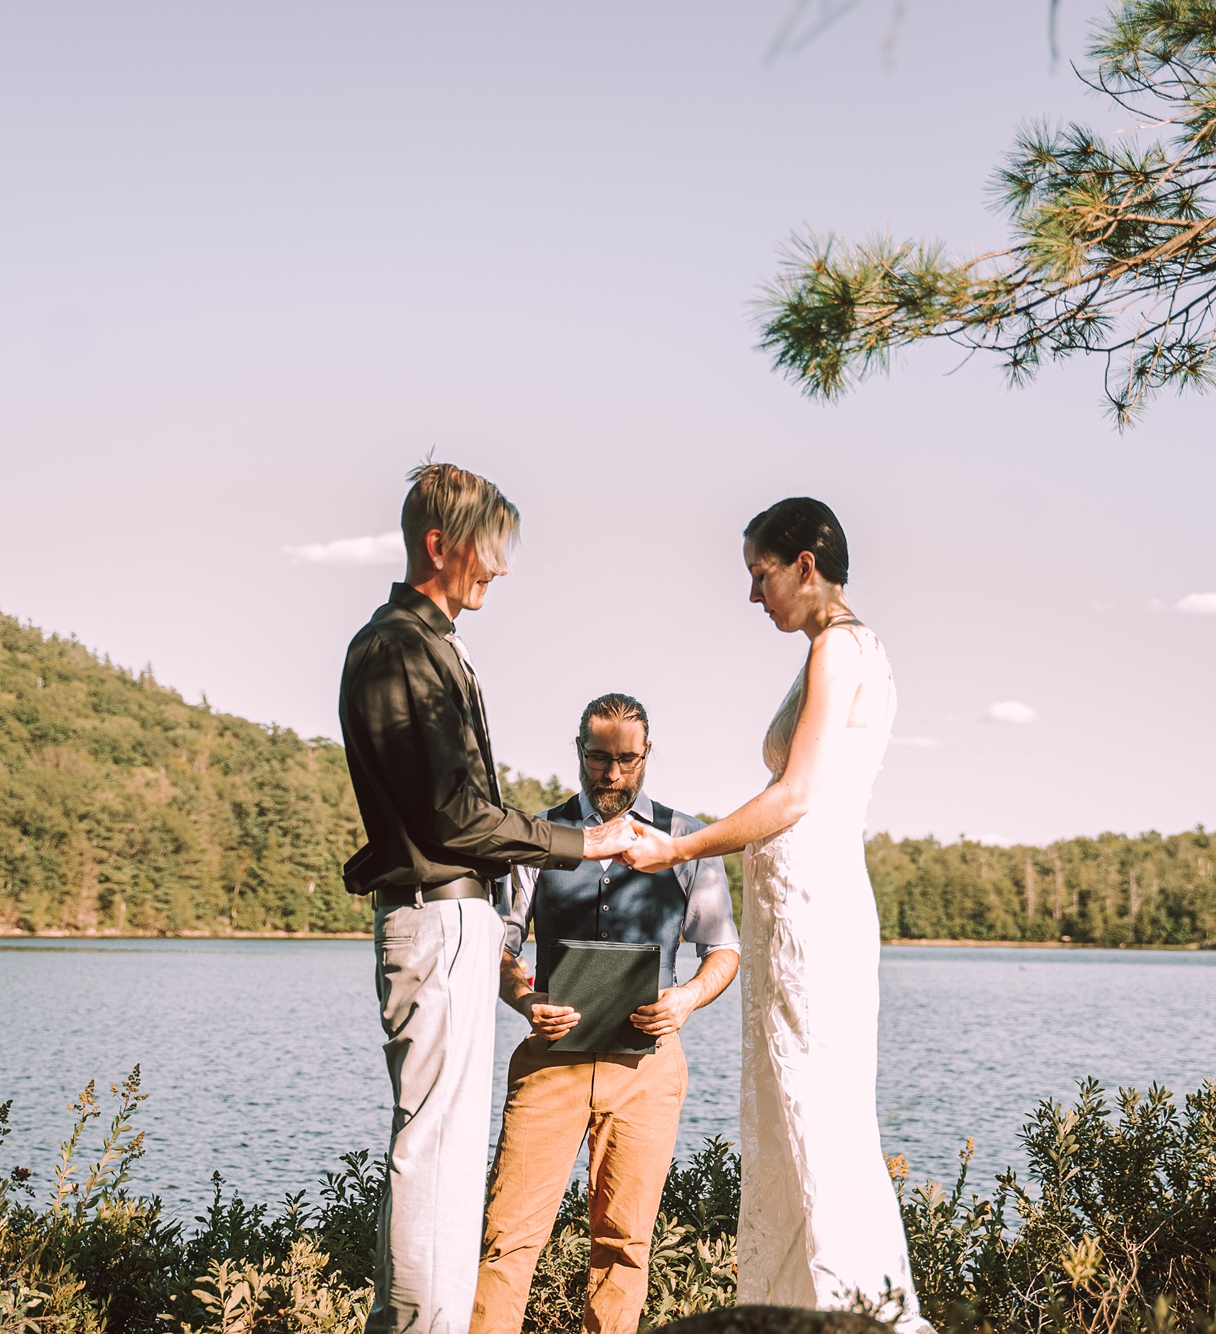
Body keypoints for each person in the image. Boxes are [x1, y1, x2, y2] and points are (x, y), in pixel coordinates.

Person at [338, 463, 639, 1334]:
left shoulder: (416, 645)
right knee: (436, 1152)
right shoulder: (402, 647)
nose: (499, 568)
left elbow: (422, 809)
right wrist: (589, 841)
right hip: (439, 920)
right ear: (441, 544)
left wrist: (385, 852)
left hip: (446, 917)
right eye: (490, 549)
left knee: (447, 1150)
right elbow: (453, 814)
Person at [619, 497, 925, 1327]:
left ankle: (850, 1313)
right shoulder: (851, 648)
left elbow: (793, 796)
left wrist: (679, 850)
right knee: (797, 1111)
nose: (755, 598)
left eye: (761, 576)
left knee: (816, 1113)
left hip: (813, 908)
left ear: (804, 564)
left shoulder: (837, 648)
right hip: (802, 904)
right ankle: (807, 1309)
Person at [472, 693, 740, 1334]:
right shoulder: (537, 838)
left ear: (647, 755)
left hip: (648, 1069)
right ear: (579, 753)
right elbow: (496, 947)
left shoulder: (687, 839)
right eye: (599, 757)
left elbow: (723, 950)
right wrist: (526, 999)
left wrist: (685, 999)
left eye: (626, 759)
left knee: (625, 1246)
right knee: (507, 1238)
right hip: (549, 1064)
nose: (612, 773)